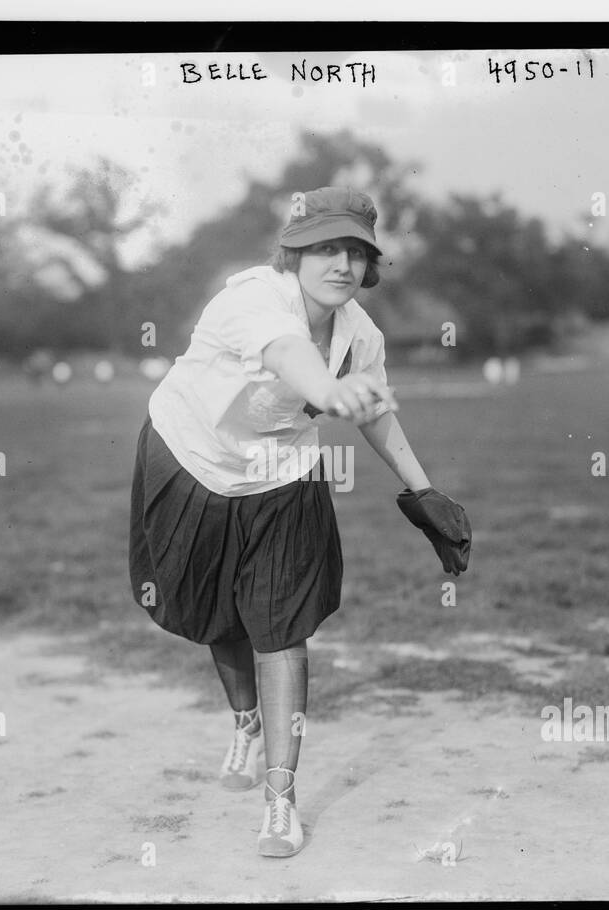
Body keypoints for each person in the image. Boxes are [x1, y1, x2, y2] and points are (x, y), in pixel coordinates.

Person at [129, 185, 471, 858]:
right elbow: (289, 353)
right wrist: (326, 391)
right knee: (211, 614)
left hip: (281, 472)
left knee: (281, 628)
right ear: (295, 253)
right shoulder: (251, 297)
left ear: (370, 263)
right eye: (325, 248)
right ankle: (245, 720)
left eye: (355, 250)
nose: (341, 264)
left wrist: (423, 490)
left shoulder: (360, 335)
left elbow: (373, 412)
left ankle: (280, 800)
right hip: (189, 456)